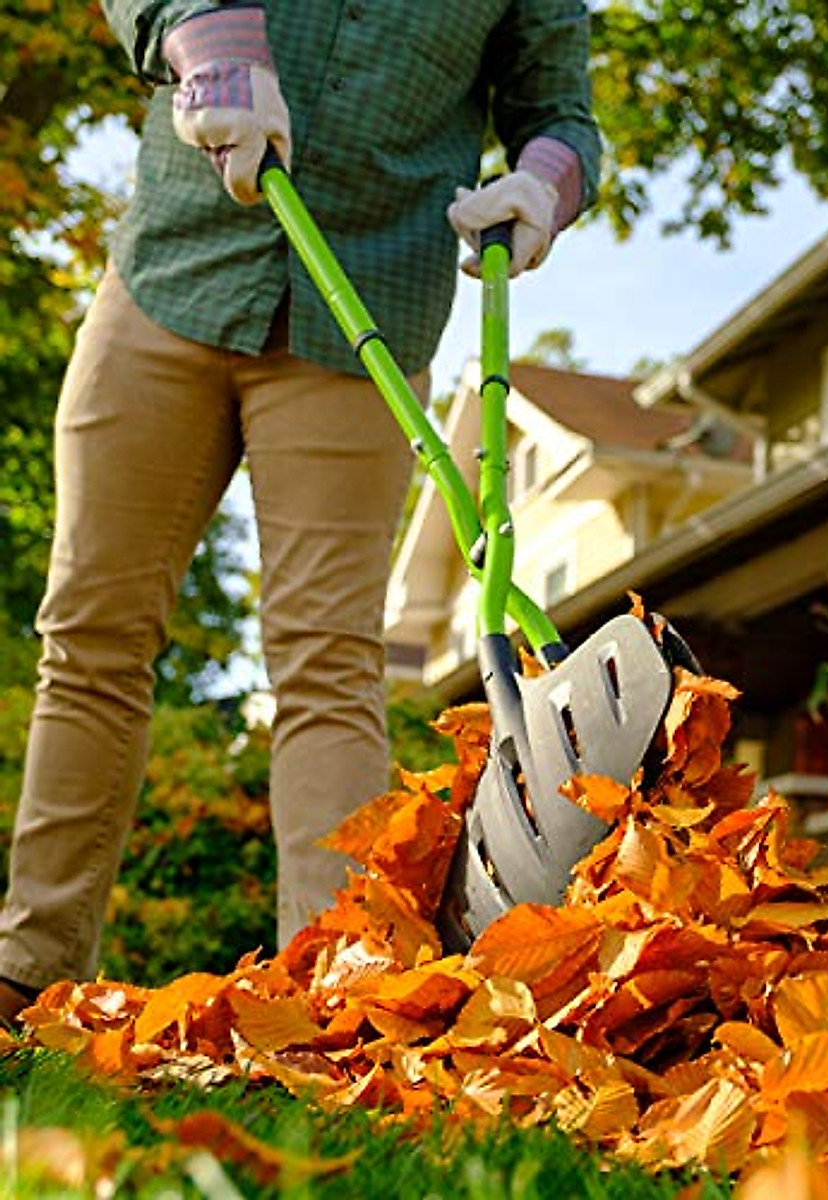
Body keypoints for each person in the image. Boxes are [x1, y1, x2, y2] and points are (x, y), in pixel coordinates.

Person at [0, 1, 601, 1024]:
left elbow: (562, 114)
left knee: (327, 659)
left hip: (365, 304)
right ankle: (26, 967)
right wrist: (210, 43)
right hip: (174, 276)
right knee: (91, 634)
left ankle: (330, 991)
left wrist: (542, 184)